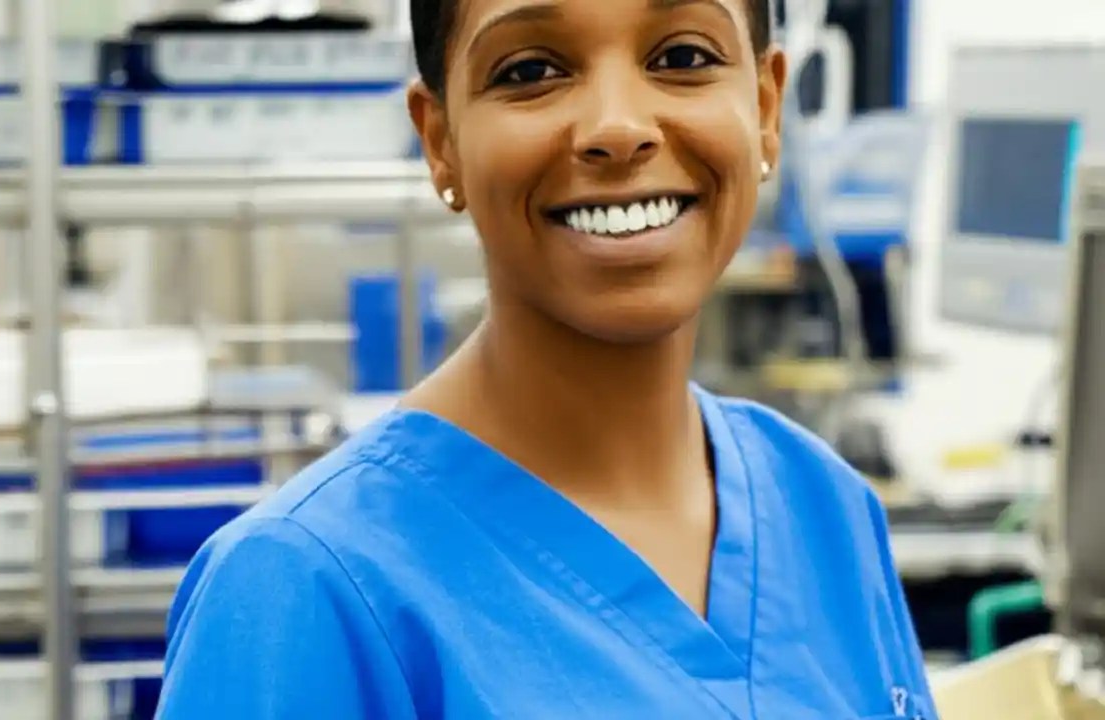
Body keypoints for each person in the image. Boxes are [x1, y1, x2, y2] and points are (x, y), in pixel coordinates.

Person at [156, 0, 938, 717]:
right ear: (441, 142)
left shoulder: (822, 504)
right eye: (531, 71)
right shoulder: (305, 590)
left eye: (684, 56)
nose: (618, 126)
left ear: (766, 109)